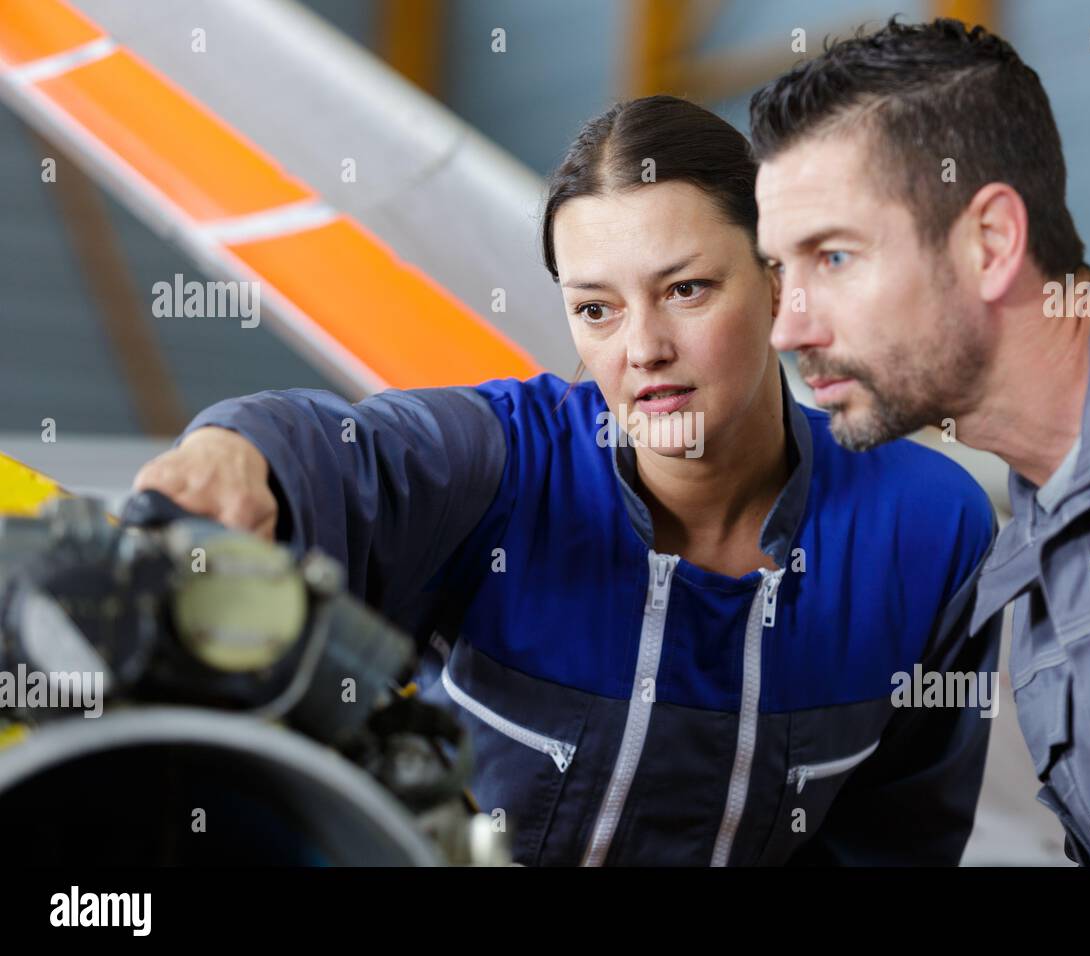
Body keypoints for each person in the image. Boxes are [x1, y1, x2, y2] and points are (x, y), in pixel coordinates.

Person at [133, 95, 999, 866]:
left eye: (688, 290)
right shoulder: (503, 470)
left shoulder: (929, 531)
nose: (643, 348)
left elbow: (899, 841)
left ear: (779, 286)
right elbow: (339, 451)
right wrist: (232, 447)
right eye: (597, 308)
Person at [750, 17, 1090, 865]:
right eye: (778, 272)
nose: (787, 327)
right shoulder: (1033, 578)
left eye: (832, 258)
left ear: (992, 242)